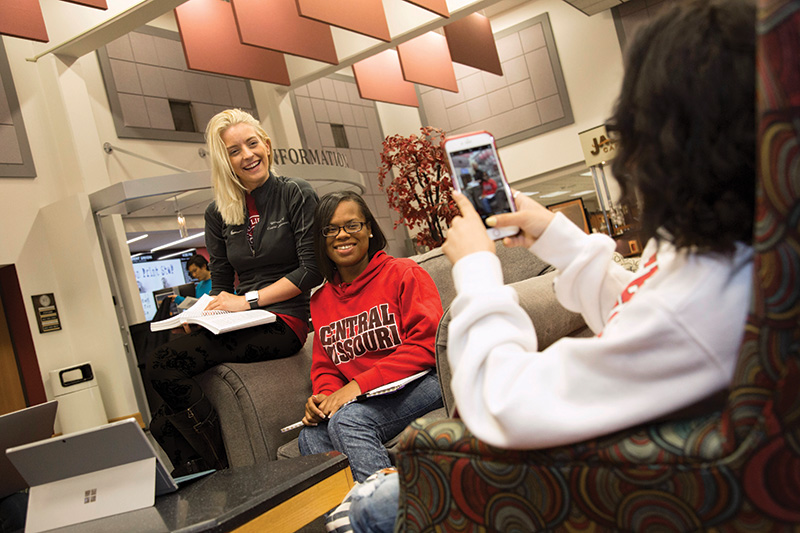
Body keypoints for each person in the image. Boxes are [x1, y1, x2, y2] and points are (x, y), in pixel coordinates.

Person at [346, 0, 756, 530]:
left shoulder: (704, 297)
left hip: (609, 484)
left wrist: (476, 272)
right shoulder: (730, 252)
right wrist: (557, 238)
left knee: (370, 504)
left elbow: (501, 404)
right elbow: (643, 312)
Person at [146, 108, 323, 475]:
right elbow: (222, 280)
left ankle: (219, 467)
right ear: (223, 160)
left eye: (252, 144)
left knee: (163, 364)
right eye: (233, 150)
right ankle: (194, 470)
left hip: (284, 320)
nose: (247, 155)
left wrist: (248, 301)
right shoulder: (218, 212)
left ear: (268, 146)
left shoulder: (296, 193)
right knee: (161, 417)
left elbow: (310, 269)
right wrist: (200, 316)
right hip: (241, 319)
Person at [297, 191, 444, 483]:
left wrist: (356, 386)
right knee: (310, 436)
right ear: (321, 239)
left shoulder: (404, 273)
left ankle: (389, 515)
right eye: (331, 229)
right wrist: (325, 396)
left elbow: (427, 345)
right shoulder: (320, 301)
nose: (342, 235)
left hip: (423, 382)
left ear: (369, 229)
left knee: (349, 421)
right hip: (364, 397)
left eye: (352, 225)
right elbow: (326, 367)